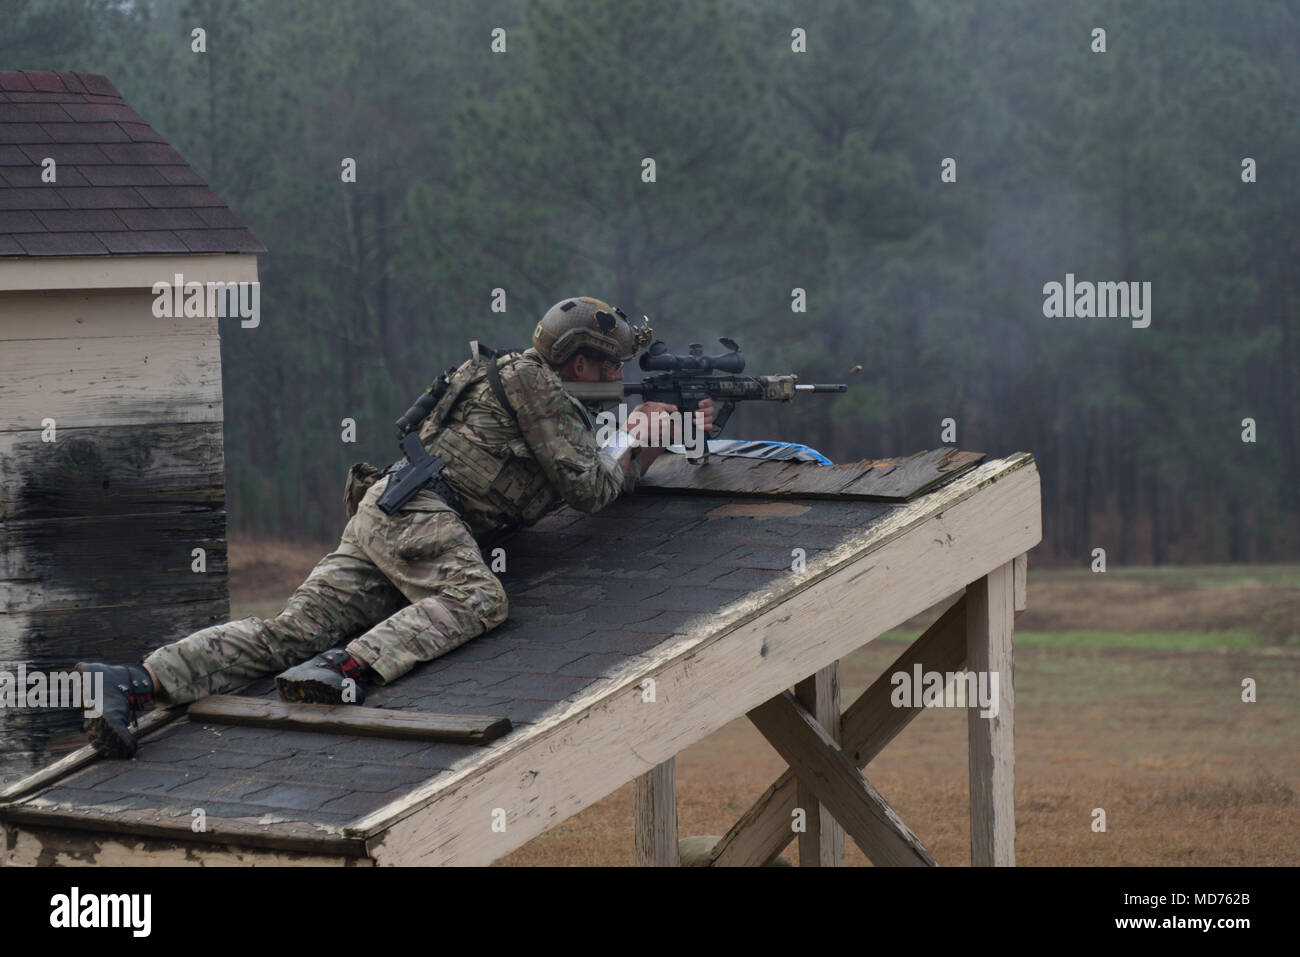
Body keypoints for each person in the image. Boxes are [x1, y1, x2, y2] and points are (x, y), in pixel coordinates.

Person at [76, 297, 714, 758]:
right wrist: (635, 432)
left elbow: (593, 475)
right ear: (581, 364)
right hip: (421, 517)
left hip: (390, 509)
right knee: (478, 599)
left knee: (287, 632)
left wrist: (658, 440)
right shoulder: (539, 389)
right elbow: (593, 488)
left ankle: (137, 681)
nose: (618, 380)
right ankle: (345, 667)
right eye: (610, 369)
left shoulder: (525, 379)